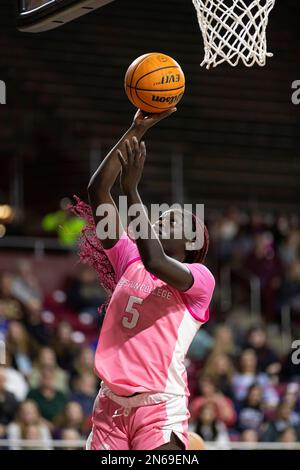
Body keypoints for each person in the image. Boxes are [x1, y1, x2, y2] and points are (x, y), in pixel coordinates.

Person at [79, 108, 215, 450]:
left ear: (191, 244)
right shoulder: (129, 257)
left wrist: (132, 190)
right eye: (164, 216)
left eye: (174, 221)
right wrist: (135, 129)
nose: (163, 220)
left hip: (158, 405)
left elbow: (156, 261)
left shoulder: (199, 281)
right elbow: (98, 191)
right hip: (110, 403)